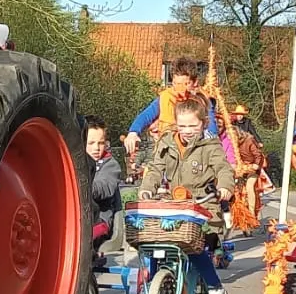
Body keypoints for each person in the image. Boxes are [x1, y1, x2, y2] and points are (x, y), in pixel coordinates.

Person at [137, 97, 236, 294]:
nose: (187, 131)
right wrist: (146, 189)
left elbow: (223, 169)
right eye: (182, 125)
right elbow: (155, 169)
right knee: (157, 240)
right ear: (175, 123)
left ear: (203, 123)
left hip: (204, 204)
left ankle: (216, 290)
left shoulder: (210, 146)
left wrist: (224, 187)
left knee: (195, 247)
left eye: (193, 125)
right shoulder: (167, 142)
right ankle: (153, 287)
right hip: (176, 203)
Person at [124, 57, 217, 158]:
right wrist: (133, 132)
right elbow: (145, 116)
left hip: (195, 153)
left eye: (186, 84)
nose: (180, 89)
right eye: (176, 84)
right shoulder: (165, 98)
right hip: (167, 153)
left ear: (195, 82)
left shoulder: (203, 101)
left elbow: (212, 132)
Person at [85, 118, 125, 251]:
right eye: (91, 143)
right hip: (80, 217)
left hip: (100, 220)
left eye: (101, 143)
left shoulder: (110, 165)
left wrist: (82, 189)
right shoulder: (76, 163)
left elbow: (104, 187)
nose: (96, 148)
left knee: (81, 237)